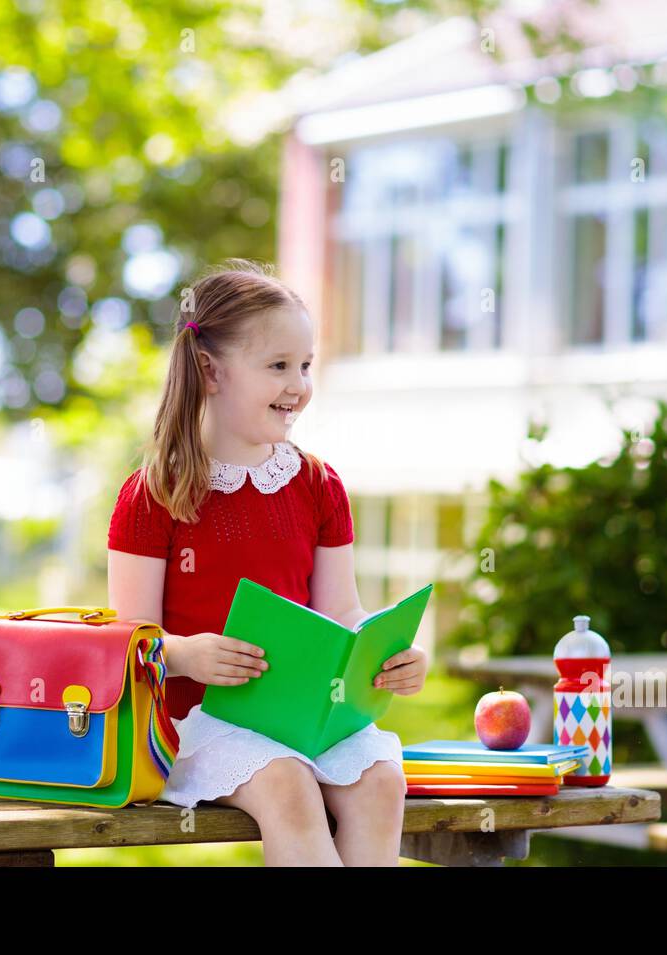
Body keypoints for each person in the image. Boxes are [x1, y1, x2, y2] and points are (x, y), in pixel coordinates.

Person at [106, 259, 428, 866]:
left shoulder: (318, 485)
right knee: (287, 786)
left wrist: (387, 653)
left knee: (382, 783)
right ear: (211, 370)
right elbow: (127, 641)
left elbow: (342, 613)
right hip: (196, 722)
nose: (298, 385)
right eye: (278, 366)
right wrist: (186, 654)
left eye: (305, 365)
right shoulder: (154, 493)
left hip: (304, 715)